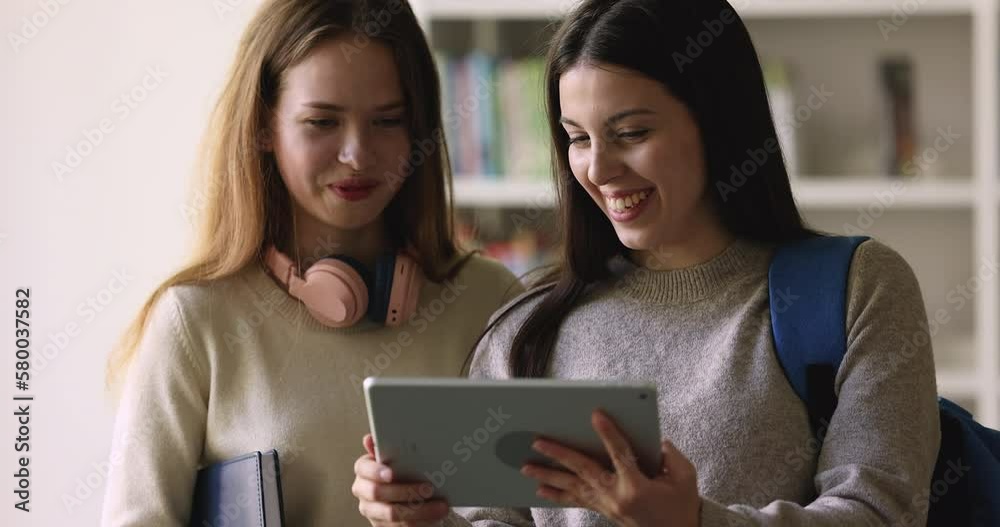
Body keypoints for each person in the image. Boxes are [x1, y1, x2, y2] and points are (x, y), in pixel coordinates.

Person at [352, 0, 940, 525]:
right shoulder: (530, 321)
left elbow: (881, 511)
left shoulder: (854, 289)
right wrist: (421, 520)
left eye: (630, 132)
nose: (599, 170)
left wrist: (692, 521)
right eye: (577, 138)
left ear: (718, 123)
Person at [100, 0, 523, 524]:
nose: (358, 155)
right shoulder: (195, 320)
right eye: (322, 122)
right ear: (263, 127)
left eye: (388, 120)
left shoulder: (490, 302)